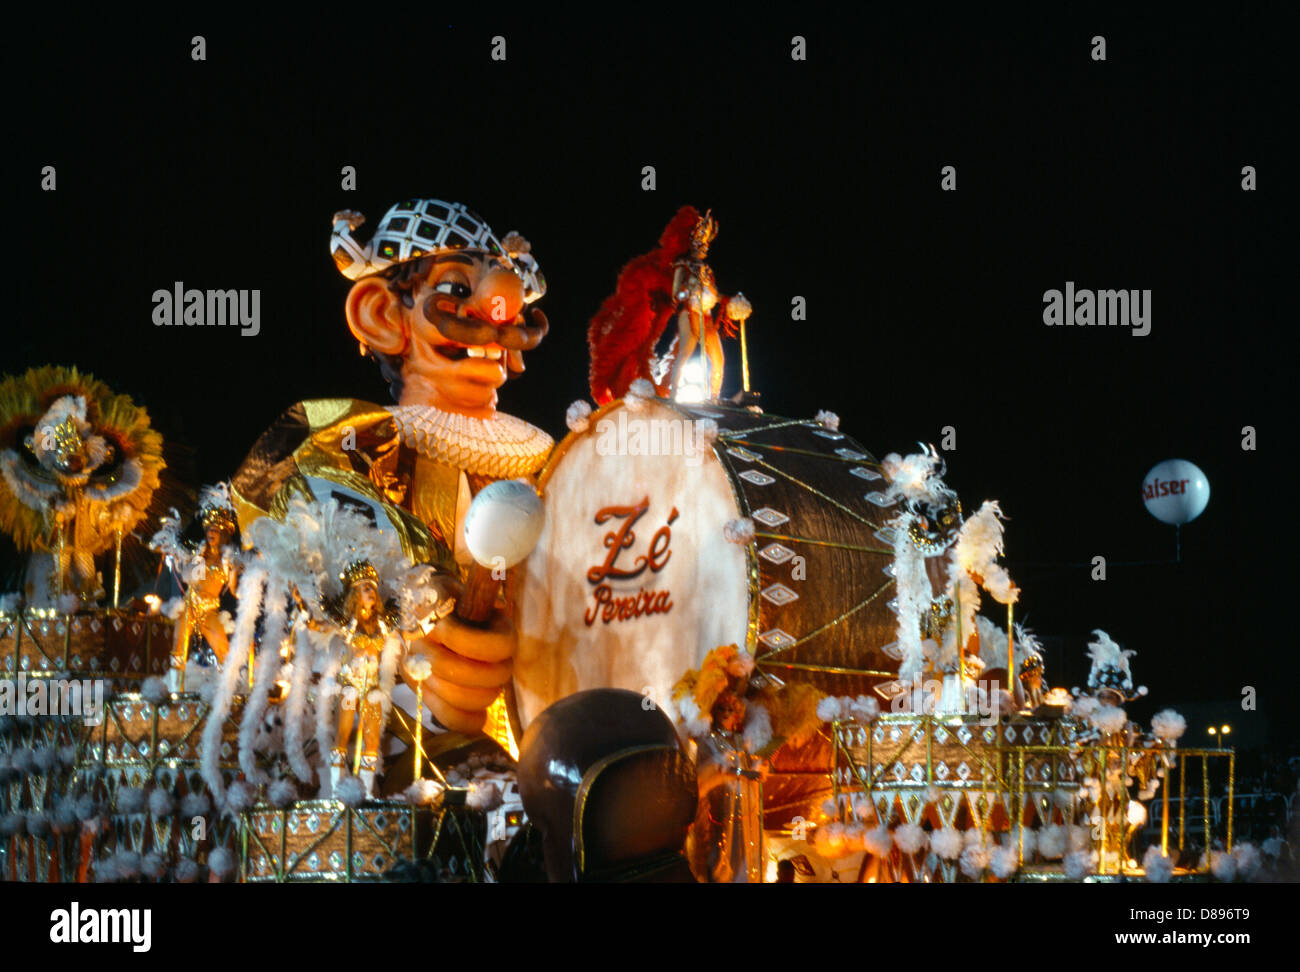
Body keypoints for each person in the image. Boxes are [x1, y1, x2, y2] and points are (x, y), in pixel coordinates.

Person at [230, 199, 553, 781]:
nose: (493, 315)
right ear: (383, 314)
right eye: (457, 289)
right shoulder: (345, 448)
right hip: (396, 730)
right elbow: (328, 594)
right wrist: (429, 641)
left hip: (539, 719)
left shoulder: (550, 461)